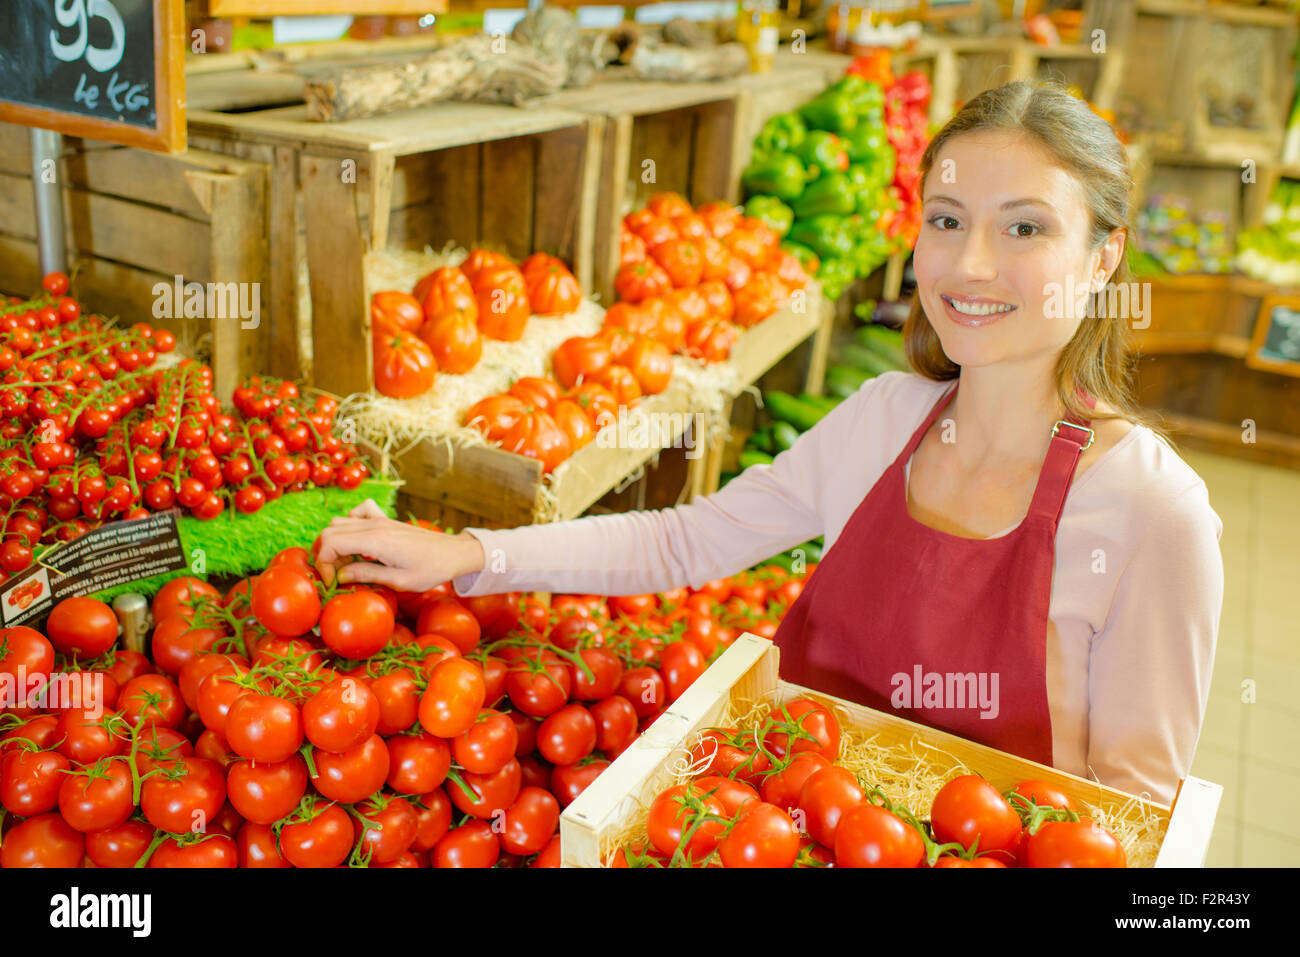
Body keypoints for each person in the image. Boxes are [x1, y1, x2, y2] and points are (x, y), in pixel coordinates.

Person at [316, 80, 1223, 806]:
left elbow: (1134, 817)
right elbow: (685, 539)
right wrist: (467, 552)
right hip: (787, 830)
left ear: (1104, 257)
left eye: (1025, 227)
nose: (972, 263)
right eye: (946, 219)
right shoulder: (880, 418)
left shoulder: (1151, 510)